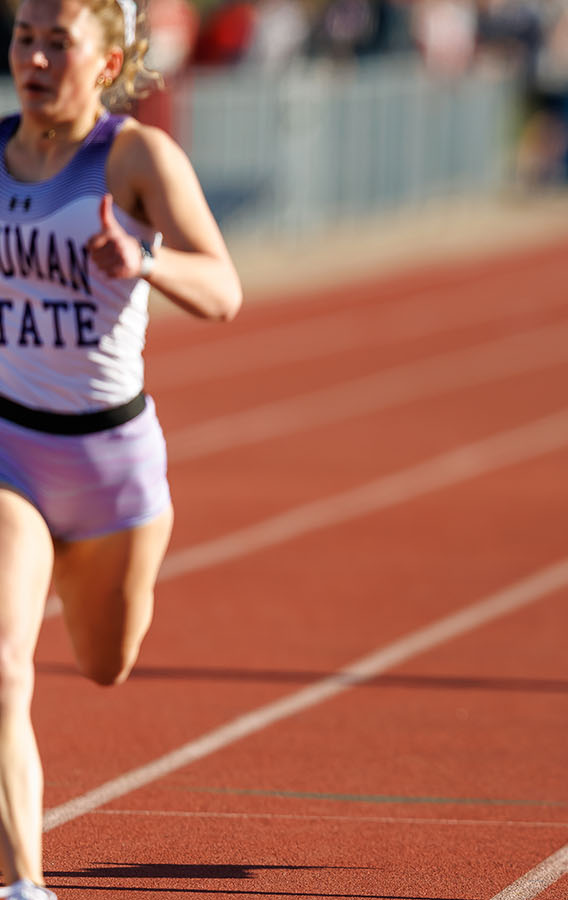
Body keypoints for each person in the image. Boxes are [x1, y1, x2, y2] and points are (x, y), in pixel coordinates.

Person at [0, 0, 242, 895]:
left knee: (104, 665)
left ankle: (71, 570)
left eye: (58, 42)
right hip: (10, 451)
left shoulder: (134, 156)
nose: (34, 56)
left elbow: (224, 289)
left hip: (111, 467)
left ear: (107, 62)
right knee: (0, 663)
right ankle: (24, 883)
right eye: (24, 36)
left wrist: (144, 264)